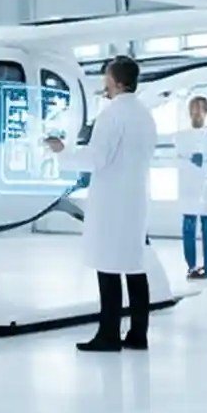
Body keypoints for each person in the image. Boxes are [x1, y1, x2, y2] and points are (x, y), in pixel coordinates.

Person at [46, 56, 158, 352]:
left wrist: (62, 151)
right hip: (135, 199)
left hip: (111, 201)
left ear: (117, 81)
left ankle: (108, 335)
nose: (103, 84)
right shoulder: (145, 115)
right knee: (134, 267)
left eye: (106, 78)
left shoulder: (112, 115)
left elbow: (97, 158)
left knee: (108, 267)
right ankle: (138, 334)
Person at [175, 96, 207, 279]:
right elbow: (178, 157)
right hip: (188, 187)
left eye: (199, 109)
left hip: (206, 188)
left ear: (206, 111)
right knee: (188, 228)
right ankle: (191, 266)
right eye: (192, 109)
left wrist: (205, 160)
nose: (195, 113)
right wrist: (190, 159)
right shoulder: (181, 136)